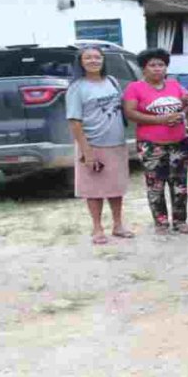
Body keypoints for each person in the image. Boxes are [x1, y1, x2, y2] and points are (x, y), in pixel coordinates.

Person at [122, 48, 188, 234]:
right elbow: (130, 112)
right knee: (156, 184)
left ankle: (180, 221)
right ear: (144, 68)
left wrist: (182, 113)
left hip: (178, 142)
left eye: (161, 65)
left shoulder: (175, 85)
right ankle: (161, 222)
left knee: (179, 184)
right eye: (152, 65)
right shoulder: (135, 88)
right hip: (151, 144)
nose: (157, 69)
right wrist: (160, 120)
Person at [66, 46, 132, 245]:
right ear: (81, 62)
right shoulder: (77, 87)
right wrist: (87, 152)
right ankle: (97, 228)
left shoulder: (111, 81)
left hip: (116, 143)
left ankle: (118, 225)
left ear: (103, 60)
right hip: (93, 144)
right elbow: (74, 122)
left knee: (116, 186)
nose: (93, 61)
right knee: (93, 189)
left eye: (97, 57)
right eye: (88, 58)